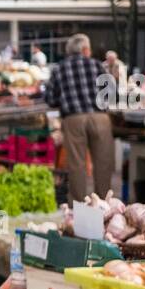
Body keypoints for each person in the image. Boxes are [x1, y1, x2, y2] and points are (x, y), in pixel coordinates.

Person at [45, 33, 114, 202]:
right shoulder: (97, 65)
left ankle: (78, 206)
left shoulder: (59, 68)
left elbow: (50, 99)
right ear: (85, 49)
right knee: (103, 163)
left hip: (73, 119)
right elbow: (112, 93)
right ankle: (104, 206)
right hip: (99, 118)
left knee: (77, 165)